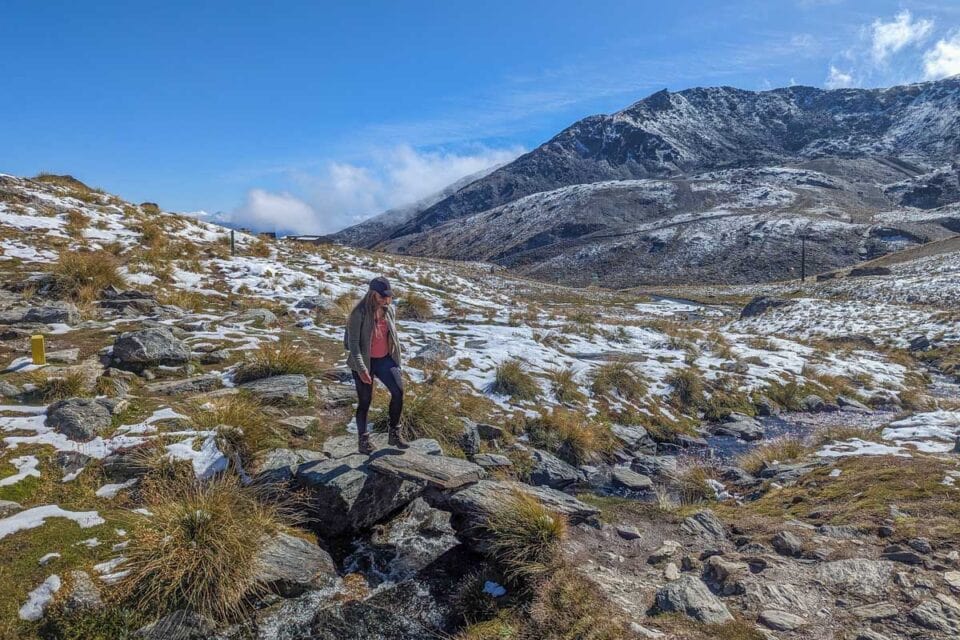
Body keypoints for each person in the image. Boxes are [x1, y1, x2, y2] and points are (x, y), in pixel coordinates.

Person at [344, 276, 408, 454]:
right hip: (364, 362)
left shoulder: (389, 310)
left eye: (389, 296)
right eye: (383, 296)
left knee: (398, 391)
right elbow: (354, 345)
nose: (387, 299)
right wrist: (362, 369)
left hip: (384, 359)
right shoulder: (358, 313)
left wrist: (397, 362)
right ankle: (363, 440)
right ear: (373, 294)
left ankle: (394, 432)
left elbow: (393, 337)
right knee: (365, 401)